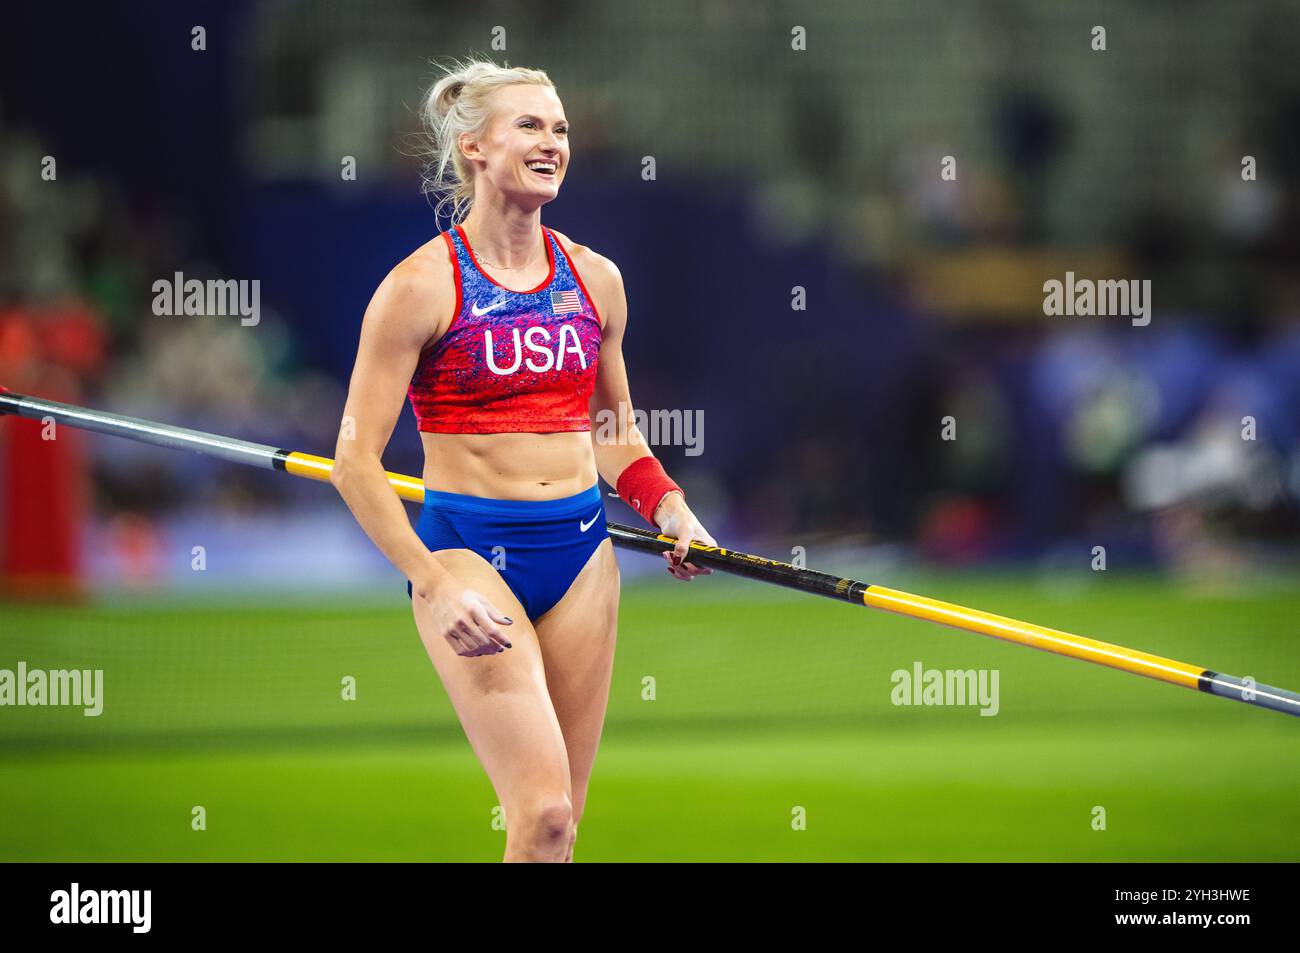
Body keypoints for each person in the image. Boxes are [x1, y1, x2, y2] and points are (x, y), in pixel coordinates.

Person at [329, 57, 715, 862]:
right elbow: (355, 461)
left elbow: (616, 433)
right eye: (531, 126)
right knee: (540, 815)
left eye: (562, 128)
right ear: (473, 146)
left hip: (582, 556)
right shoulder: (419, 287)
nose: (553, 143)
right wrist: (431, 582)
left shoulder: (596, 279)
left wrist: (670, 506)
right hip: (468, 556)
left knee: (560, 832)